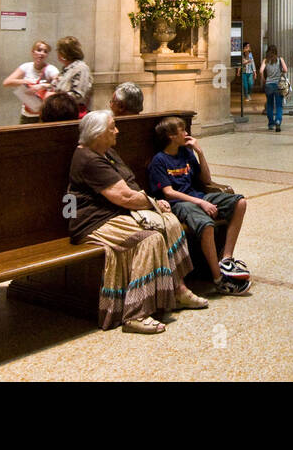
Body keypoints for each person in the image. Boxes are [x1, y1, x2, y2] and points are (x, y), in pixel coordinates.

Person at [66, 110, 208, 333]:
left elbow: (129, 183)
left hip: (115, 213)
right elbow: (124, 197)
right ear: (98, 133)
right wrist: (152, 203)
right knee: (149, 239)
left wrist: (151, 204)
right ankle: (135, 313)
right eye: (112, 127)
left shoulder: (106, 152)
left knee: (169, 222)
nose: (117, 131)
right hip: (93, 223)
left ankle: (177, 288)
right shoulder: (88, 159)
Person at [149, 116, 251, 294]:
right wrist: (201, 202)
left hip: (198, 196)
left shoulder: (186, 153)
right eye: (182, 130)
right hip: (179, 204)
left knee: (239, 203)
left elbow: (206, 180)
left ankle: (226, 259)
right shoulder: (159, 160)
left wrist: (200, 153)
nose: (187, 133)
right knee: (206, 225)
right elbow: (169, 192)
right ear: (171, 136)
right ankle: (218, 278)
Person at [3, 40, 59, 124]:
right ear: (33, 52)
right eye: (39, 50)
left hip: (43, 115)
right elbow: (6, 82)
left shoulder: (51, 69)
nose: (42, 53)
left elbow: (59, 83)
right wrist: (24, 81)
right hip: (27, 114)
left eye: (45, 51)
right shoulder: (26, 67)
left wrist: (42, 86)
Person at [49, 36, 93, 113]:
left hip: (73, 113)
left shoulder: (81, 68)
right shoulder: (67, 69)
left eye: (58, 50)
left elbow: (78, 95)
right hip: (61, 112)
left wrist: (55, 97)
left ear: (64, 53)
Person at [261, 44, 288, 131]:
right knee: (279, 105)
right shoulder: (280, 59)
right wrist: (281, 72)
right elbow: (285, 69)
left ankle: (271, 124)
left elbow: (261, 70)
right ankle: (278, 121)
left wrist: (264, 79)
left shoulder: (265, 60)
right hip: (278, 84)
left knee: (269, 105)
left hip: (269, 84)